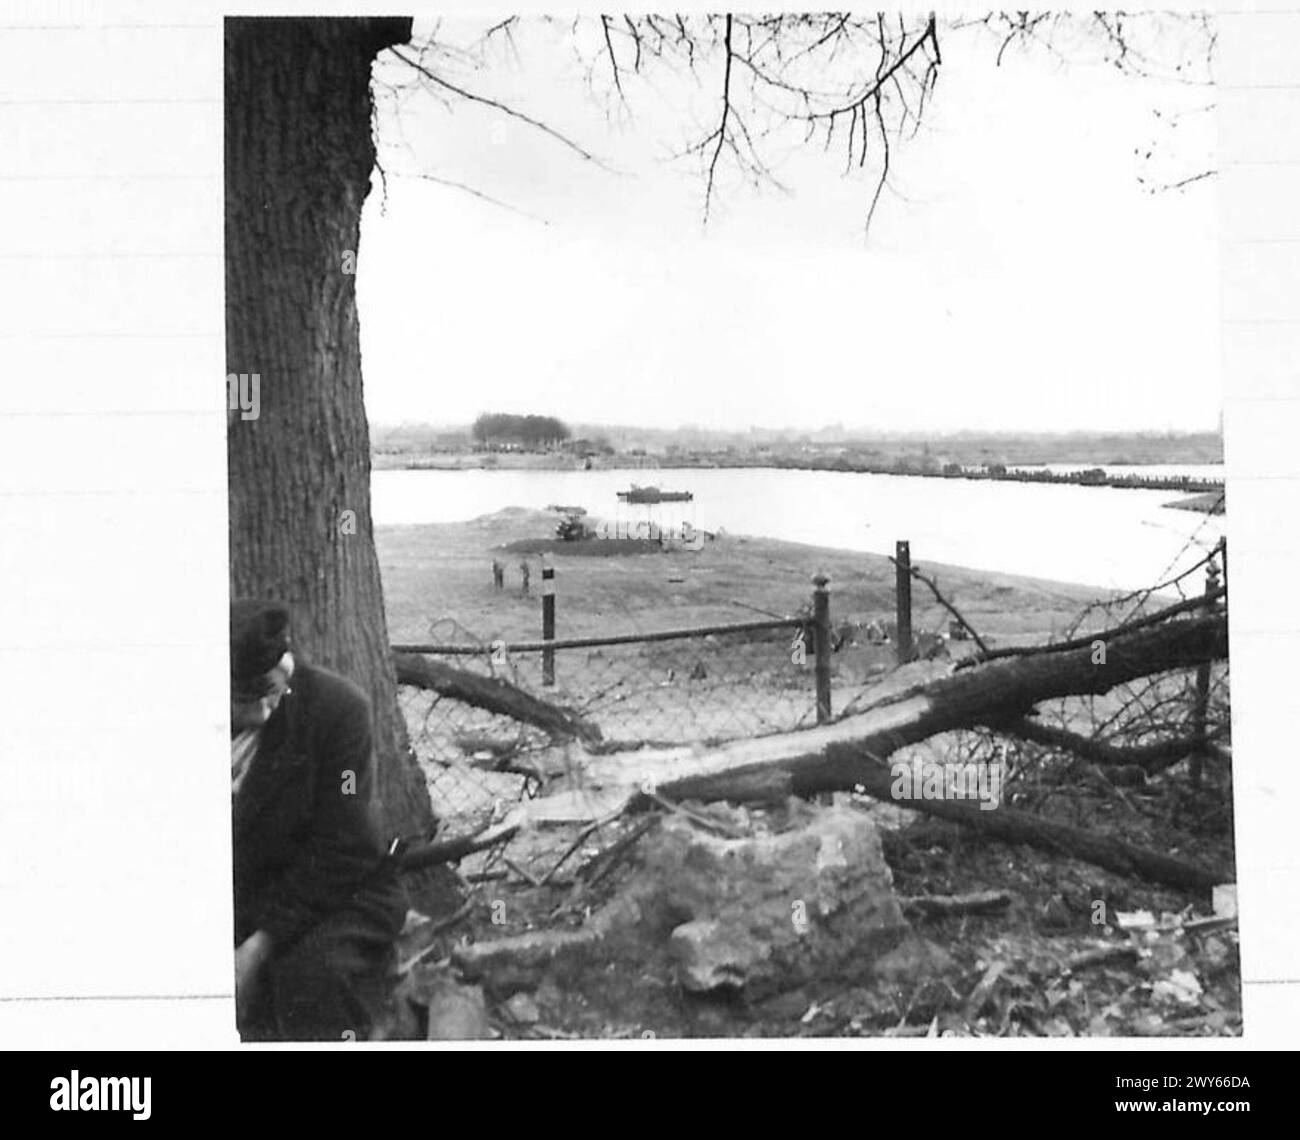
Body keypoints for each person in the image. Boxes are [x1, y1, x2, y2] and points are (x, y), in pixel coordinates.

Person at [230, 599, 408, 1041]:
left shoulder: (338, 711)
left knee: (307, 980)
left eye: (273, 692)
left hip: (343, 891)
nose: (265, 711)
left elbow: (347, 844)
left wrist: (257, 947)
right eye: (244, 700)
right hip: (248, 889)